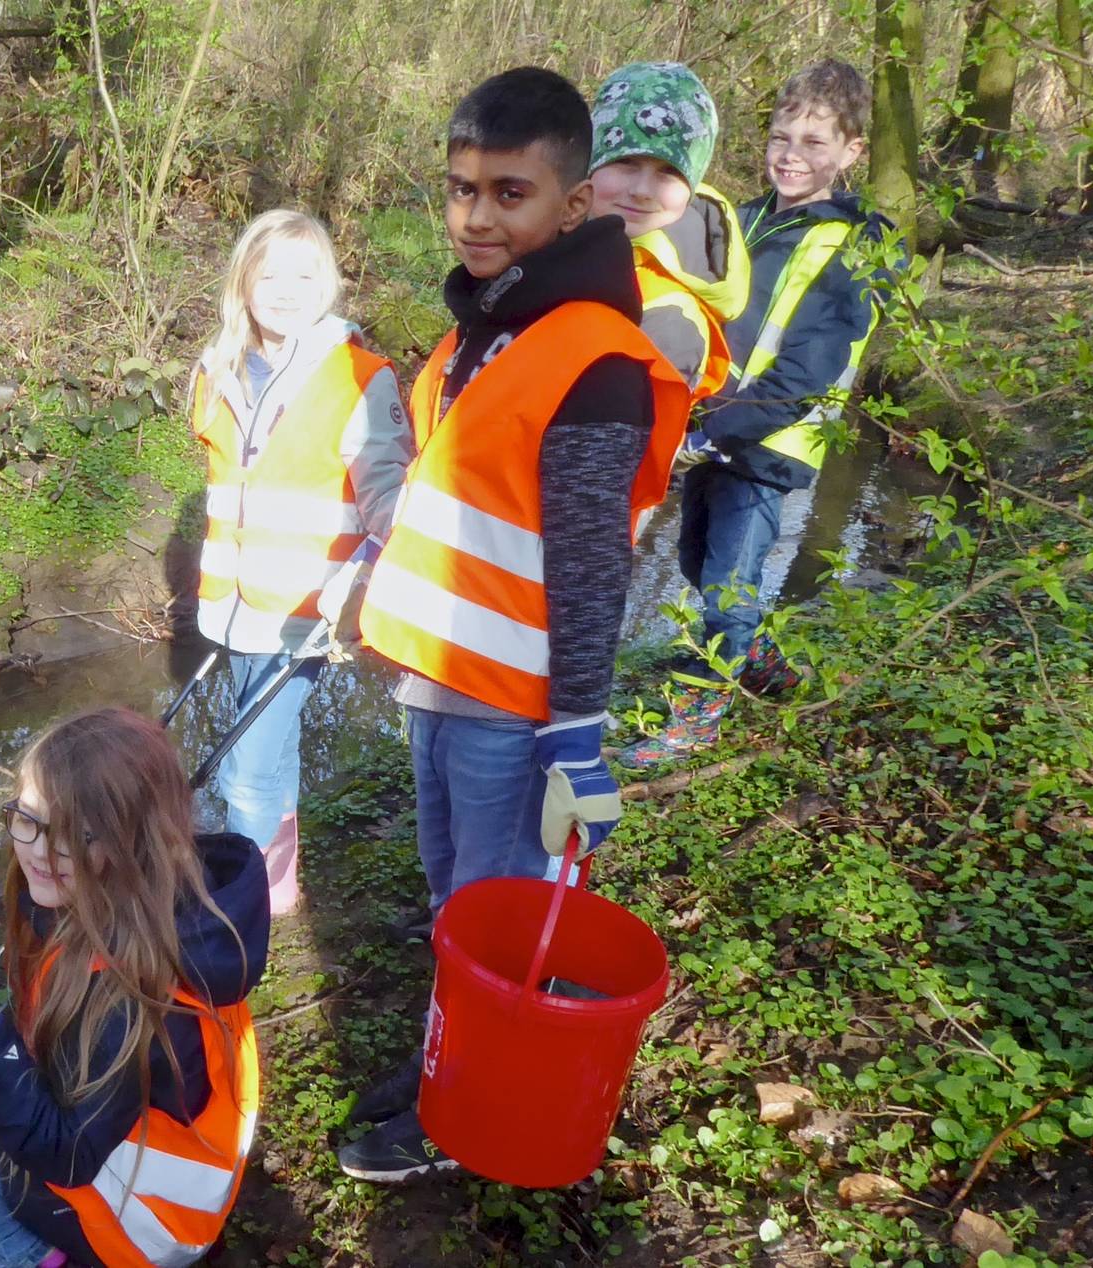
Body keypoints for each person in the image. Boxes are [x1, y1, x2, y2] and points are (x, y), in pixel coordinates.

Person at [338, 66, 689, 1182]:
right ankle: (452, 1059)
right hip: (441, 681)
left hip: (511, 704)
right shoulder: (486, 328)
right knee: (459, 905)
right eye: (459, 191)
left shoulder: (591, 358)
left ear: (572, 204)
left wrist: (575, 733)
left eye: (508, 193)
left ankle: (466, 1114)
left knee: (497, 920)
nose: (477, 216)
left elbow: (590, 571)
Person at [0, 707, 270, 1268]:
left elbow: (67, 1156)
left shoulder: (129, 997)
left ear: (133, 843)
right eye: (27, 819)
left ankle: (29, 1256)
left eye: (76, 834)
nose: (40, 852)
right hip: (173, 1189)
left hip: (153, 1229)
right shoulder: (171, 909)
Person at [617, 58, 901, 769]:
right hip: (706, 431)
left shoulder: (860, 242)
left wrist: (720, 430)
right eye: (782, 138)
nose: (792, 156)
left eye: (814, 142)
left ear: (852, 151)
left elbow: (812, 364)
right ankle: (769, 670)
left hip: (769, 442)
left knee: (728, 588)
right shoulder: (740, 219)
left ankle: (696, 722)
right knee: (694, 562)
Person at [190, 208, 413, 915]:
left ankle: (236, 911)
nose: (286, 289)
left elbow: (388, 497)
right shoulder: (215, 369)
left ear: (330, 285)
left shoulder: (357, 376)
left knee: (245, 770)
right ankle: (276, 886)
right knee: (271, 750)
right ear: (243, 280)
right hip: (234, 602)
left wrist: (373, 574)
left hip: (305, 609)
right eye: (271, 272)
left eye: (306, 273)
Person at [586, 61, 749, 399]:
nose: (643, 190)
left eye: (669, 172)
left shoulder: (671, 320)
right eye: (626, 162)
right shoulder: (545, 248)